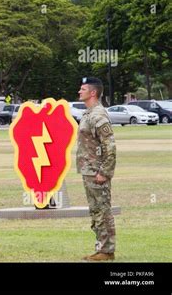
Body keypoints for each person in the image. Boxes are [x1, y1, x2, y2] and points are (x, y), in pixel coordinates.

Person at [77, 77, 117, 261]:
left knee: (102, 210)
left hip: (97, 171)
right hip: (89, 170)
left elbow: (110, 146)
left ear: (93, 92)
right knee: (95, 210)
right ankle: (102, 248)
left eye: (83, 89)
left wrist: (105, 172)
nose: (79, 91)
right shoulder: (88, 113)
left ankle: (107, 250)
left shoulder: (98, 115)